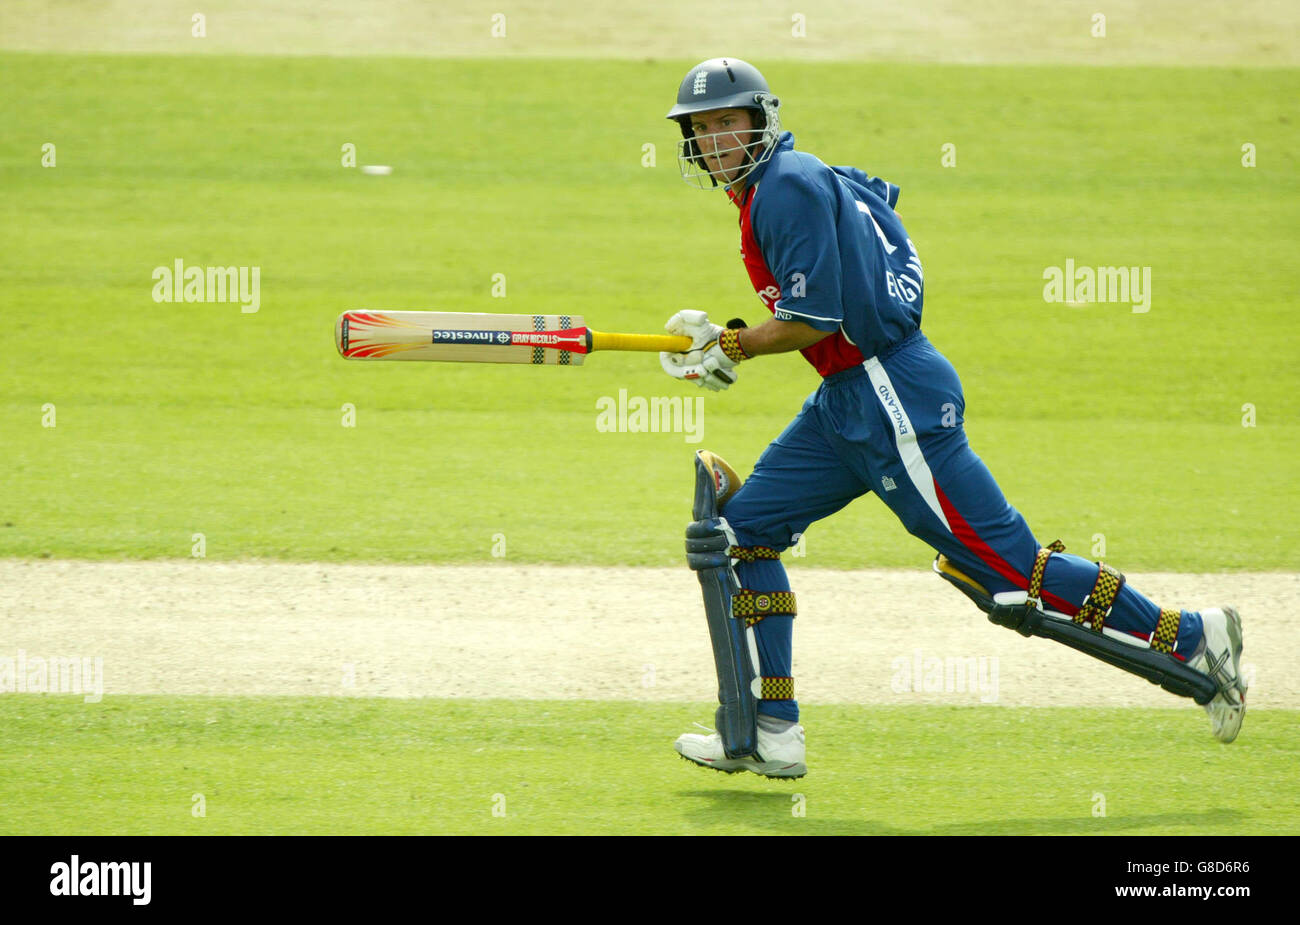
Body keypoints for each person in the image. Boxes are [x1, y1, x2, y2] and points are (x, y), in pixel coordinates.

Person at [658, 58, 1247, 779]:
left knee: (1010, 578)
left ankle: (1194, 635)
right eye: (703, 129)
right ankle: (771, 728)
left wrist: (732, 345)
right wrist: (733, 338)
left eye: (728, 123)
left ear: (759, 120)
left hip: (887, 398)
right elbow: (859, 271)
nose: (717, 141)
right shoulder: (798, 180)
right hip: (854, 398)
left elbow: (816, 318)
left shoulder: (784, 190)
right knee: (744, 531)